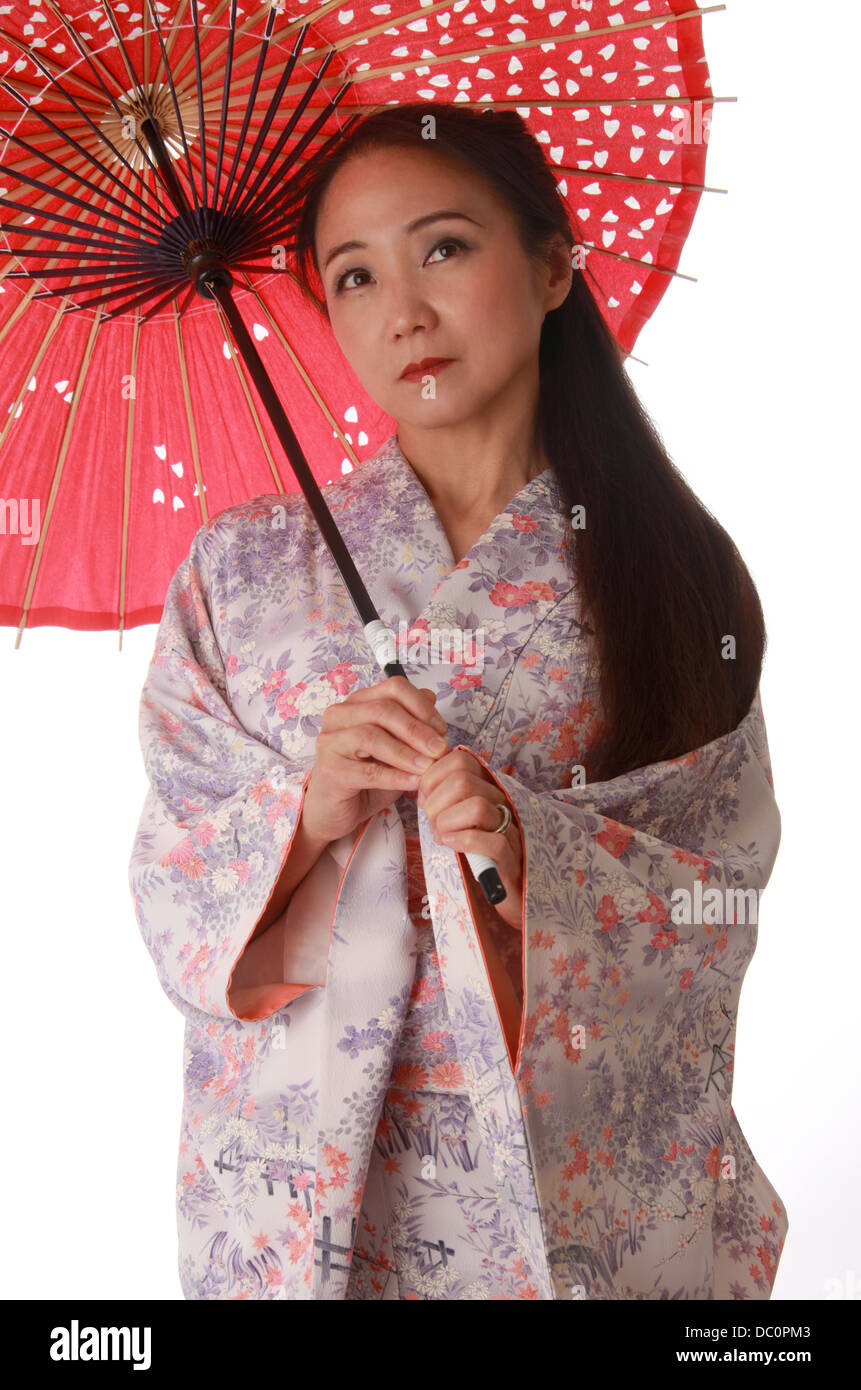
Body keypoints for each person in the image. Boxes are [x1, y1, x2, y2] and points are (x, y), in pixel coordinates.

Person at [129, 103, 788, 1300]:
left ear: (550, 263)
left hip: (559, 1190)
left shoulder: (671, 572)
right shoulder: (241, 573)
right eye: (354, 275)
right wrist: (307, 809)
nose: (404, 311)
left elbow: (720, 888)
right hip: (306, 1194)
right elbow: (174, 887)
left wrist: (533, 854)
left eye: (443, 247)